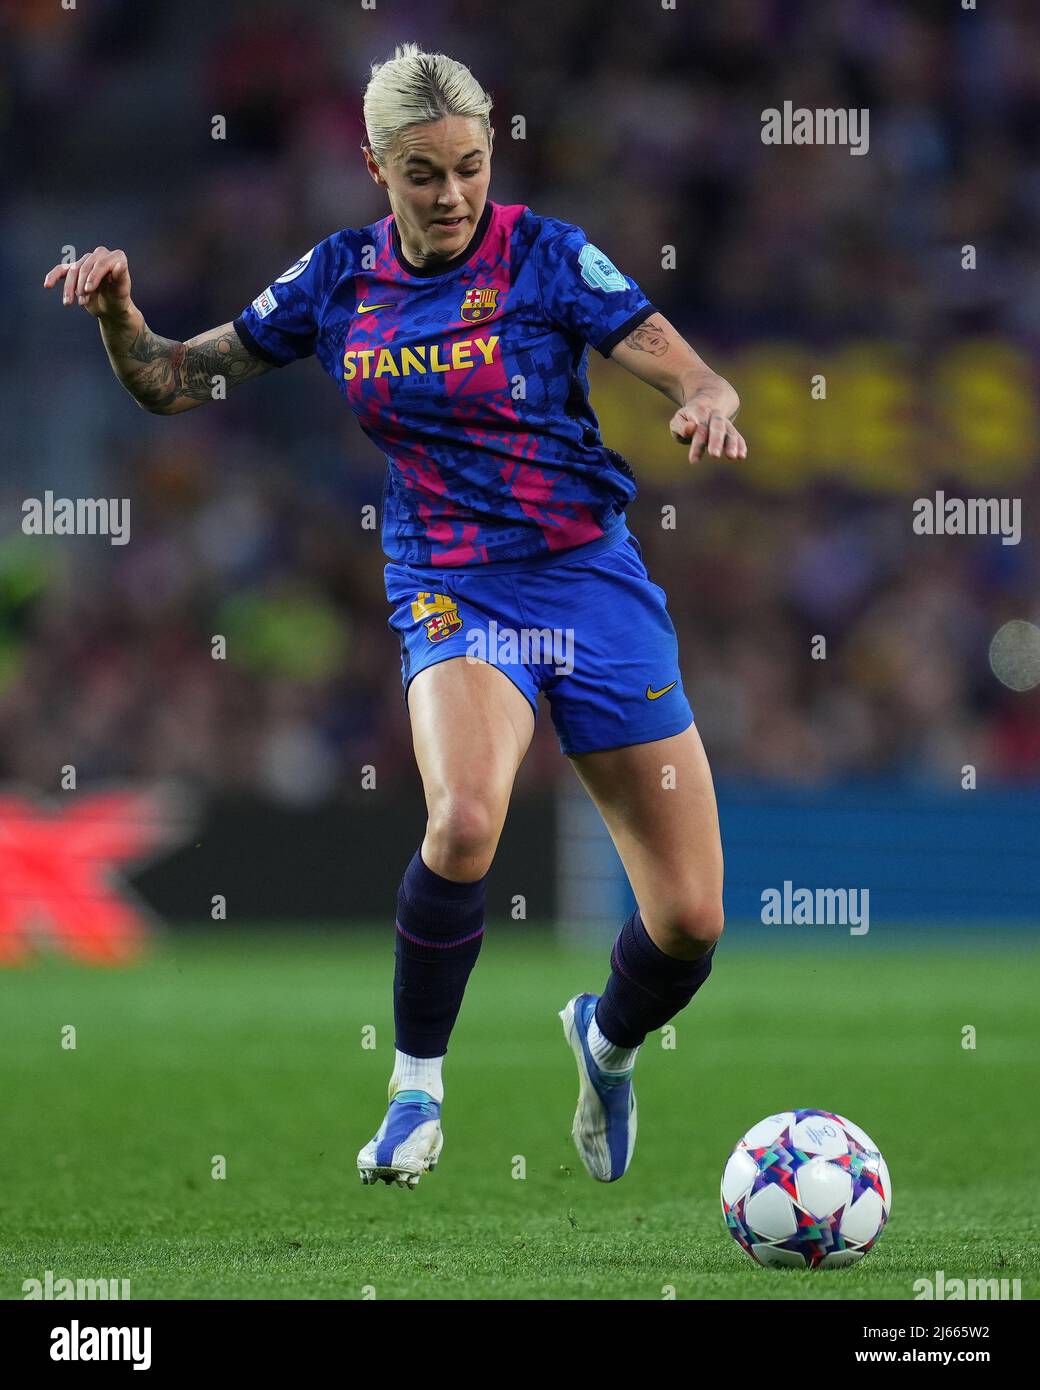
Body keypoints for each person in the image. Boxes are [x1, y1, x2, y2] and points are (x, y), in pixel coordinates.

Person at [44, 42, 747, 1187]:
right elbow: (174, 380)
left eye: (469, 167)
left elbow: (685, 370)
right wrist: (122, 315)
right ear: (377, 170)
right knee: (465, 817)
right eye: (423, 174)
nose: (452, 195)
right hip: (450, 582)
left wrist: (706, 402)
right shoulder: (335, 280)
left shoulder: (548, 254)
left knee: (690, 922)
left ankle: (604, 1041)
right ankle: (414, 1091)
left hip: (587, 577)